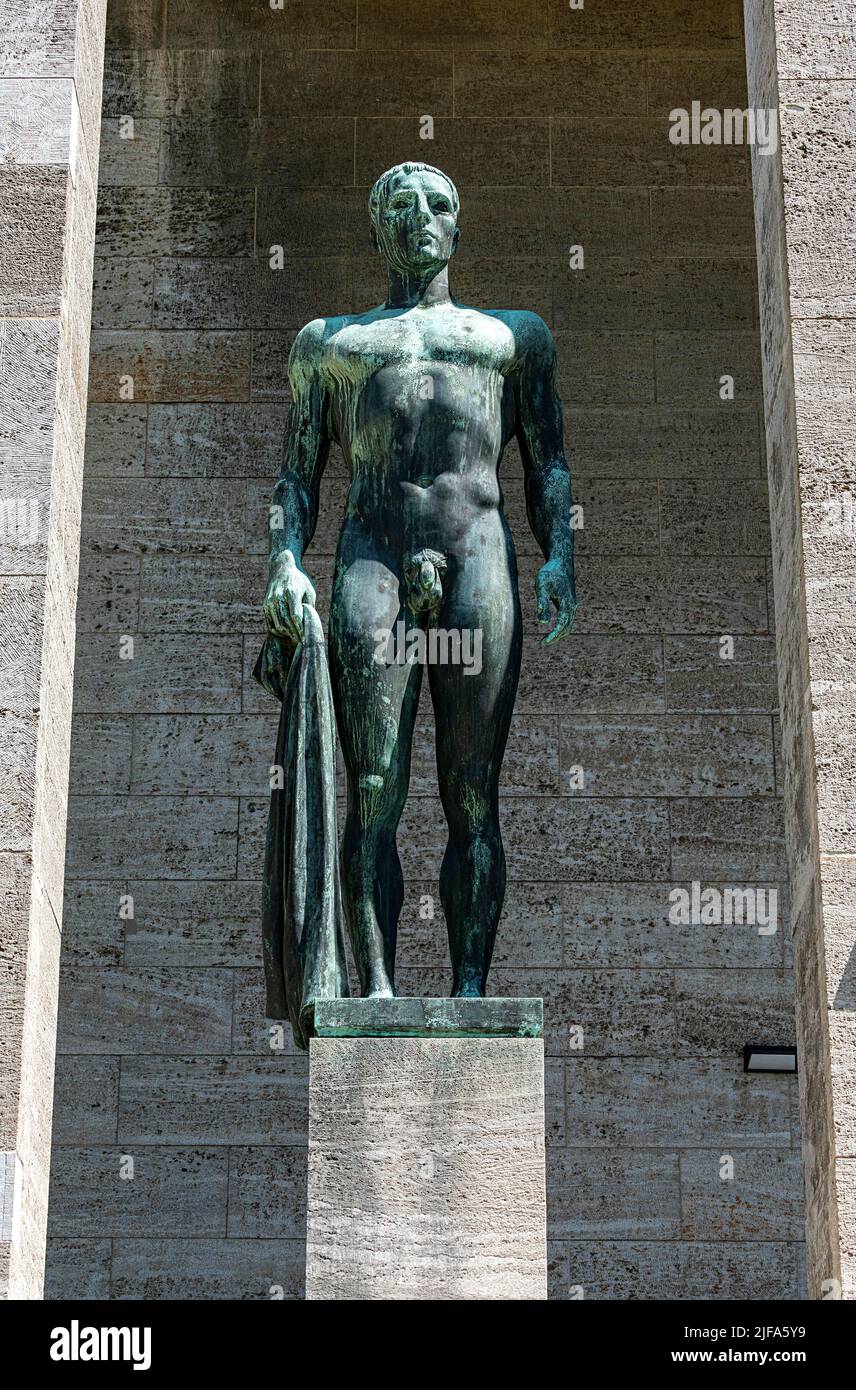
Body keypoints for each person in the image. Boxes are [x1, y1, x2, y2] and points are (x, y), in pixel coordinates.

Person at [260, 161, 577, 1000]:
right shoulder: (332, 345)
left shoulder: (510, 338)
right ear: (378, 229)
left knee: (472, 793)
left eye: (438, 204)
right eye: (400, 205)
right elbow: (296, 476)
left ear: (457, 227)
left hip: (478, 557)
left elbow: (548, 462)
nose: (420, 217)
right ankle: (376, 990)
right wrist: (285, 560)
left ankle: (471, 991)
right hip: (375, 556)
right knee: (373, 791)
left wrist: (559, 552)